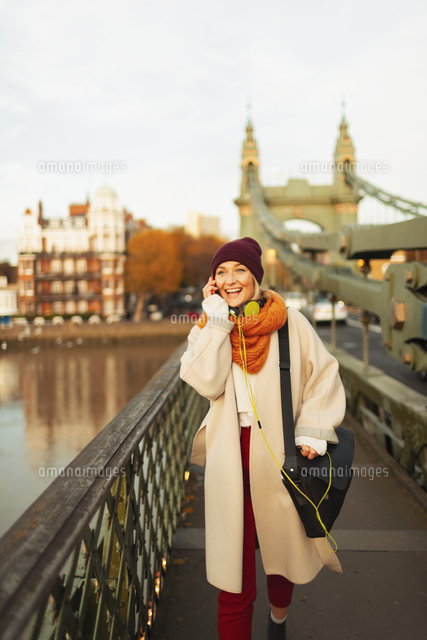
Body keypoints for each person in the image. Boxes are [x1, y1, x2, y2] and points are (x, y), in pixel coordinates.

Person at [180, 237, 346, 640]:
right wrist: (216, 320)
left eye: (240, 271)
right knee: (232, 575)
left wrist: (312, 430)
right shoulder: (207, 327)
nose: (231, 279)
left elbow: (324, 376)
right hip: (228, 461)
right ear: (213, 282)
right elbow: (205, 381)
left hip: (279, 459)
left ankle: (278, 621)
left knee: (281, 554)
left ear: (256, 277)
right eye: (222, 272)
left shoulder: (291, 322)